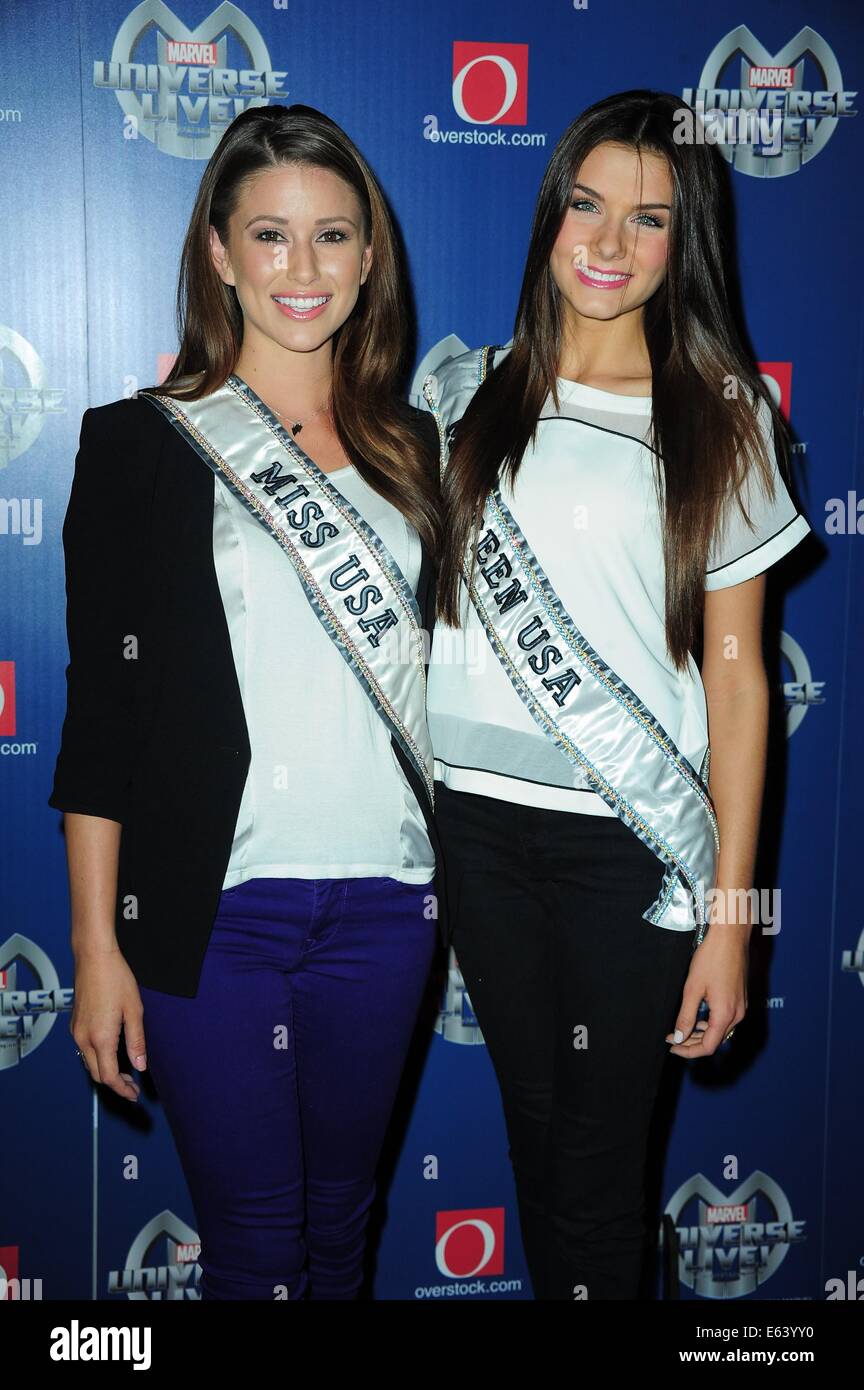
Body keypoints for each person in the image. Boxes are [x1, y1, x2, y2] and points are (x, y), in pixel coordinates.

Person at [48, 103, 446, 1301]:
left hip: (388, 906)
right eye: (269, 236)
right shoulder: (135, 445)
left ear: (370, 255)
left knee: (345, 1230)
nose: (303, 268)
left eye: (333, 236)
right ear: (219, 252)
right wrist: (94, 946)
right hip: (215, 915)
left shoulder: (420, 451)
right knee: (261, 1253)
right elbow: (102, 719)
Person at [421, 89, 811, 1301]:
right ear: (549, 216)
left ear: (684, 240)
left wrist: (733, 913)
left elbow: (742, 687)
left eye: (647, 220)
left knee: (597, 1176)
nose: (605, 243)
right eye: (585, 205)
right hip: (476, 836)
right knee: (544, 1149)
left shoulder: (727, 421)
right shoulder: (464, 396)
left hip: (628, 850)